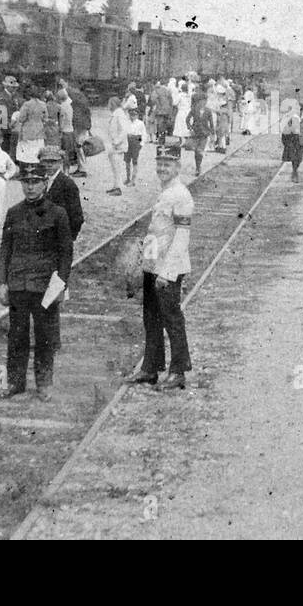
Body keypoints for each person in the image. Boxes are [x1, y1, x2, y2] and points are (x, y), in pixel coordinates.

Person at [0, 165, 72, 401]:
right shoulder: (14, 212)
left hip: (45, 284)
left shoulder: (58, 213)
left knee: (45, 335)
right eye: (26, 182)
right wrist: (1, 282)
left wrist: (60, 284)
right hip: (18, 282)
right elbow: (5, 248)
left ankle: (44, 384)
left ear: (44, 184)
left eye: (35, 182)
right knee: (16, 335)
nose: (30, 187)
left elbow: (65, 253)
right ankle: (15, 383)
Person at [125, 139, 194, 391]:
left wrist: (166, 272)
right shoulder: (165, 192)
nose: (163, 168)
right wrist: (146, 265)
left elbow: (181, 238)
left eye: (168, 164)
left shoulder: (181, 195)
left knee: (172, 319)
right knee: (151, 318)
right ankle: (150, 368)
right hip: (154, 267)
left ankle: (178, 372)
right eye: (160, 163)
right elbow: (157, 232)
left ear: (178, 166)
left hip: (169, 269)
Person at [40, 146, 84, 241]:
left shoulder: (67, 184)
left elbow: (77, 216)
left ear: (60, 162)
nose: (49, 165)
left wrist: (68, 238)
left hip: (60, 237)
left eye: (53, 162)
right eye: (45, 162)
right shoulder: (40, 181)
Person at [12, 89, 47, 169]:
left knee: (26, 153)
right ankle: (36, 170)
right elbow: (45, 118)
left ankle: (26, 170)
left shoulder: (26, 104)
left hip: (28, 131)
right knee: (37, 151)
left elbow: (21, 118)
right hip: (39, 131)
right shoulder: (43, 104)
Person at [186, 92, 214, 177]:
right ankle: (198, 166)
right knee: (196, 151)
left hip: (204, 133)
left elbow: (211, 123)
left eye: (205, 101)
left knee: (199, 150)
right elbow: (187, 119)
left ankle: (198, 168)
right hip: (196, 133)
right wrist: (190, 128)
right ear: (199, 101)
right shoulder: (194, 109)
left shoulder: (208, 111)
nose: (204, 102)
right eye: (202, 101)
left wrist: (212, 135)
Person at [105, 96, 128, 196]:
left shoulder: (120, 114)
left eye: (109, 104)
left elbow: (124, 130)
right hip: (114, 144)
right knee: (115, 167)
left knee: (117, 167)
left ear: (113, 104)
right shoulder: (116, 113)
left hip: (118, 145)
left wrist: (117, 141)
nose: (108, 106)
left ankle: (118, 188)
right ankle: (115, 186)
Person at [281, 99, 303, 182]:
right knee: (294, 157)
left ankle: (295, 170)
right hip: (292, 138)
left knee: (300, 157)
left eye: (299, 109)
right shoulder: (290, 117)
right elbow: (285, 129)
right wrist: (285, 141)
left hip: (301, 139)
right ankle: (295, 172)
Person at [124, 105, 145, 185]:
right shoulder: (127, 122)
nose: (132, 117)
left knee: (135, 161)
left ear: (138, 115)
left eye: (134, 115)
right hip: (128, 141)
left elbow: (143, 135)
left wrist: (140, 143)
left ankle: (133, 180)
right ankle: (128, 178)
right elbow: (124, 132)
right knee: (127, 161)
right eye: (131, 115)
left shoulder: (140, 123)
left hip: (136, 141)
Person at [151, 78, 174, 146]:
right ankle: (163, 139)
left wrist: (158, 107)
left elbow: (153, 100)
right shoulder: (168, 90)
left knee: (160, 125)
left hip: (160, 111)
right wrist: (170, 109)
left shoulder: (156, 91)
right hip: (167, 110)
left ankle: (161, 140)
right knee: (164, 125)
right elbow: (171, 100)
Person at [213, 80, 232, 152]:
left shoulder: (223, 101)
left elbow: (219, 108)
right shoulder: (225, 100)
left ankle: (222, 147)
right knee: (221, 134)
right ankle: (220, 146)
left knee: (221, 133)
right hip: (223, 119)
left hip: (222, 119)